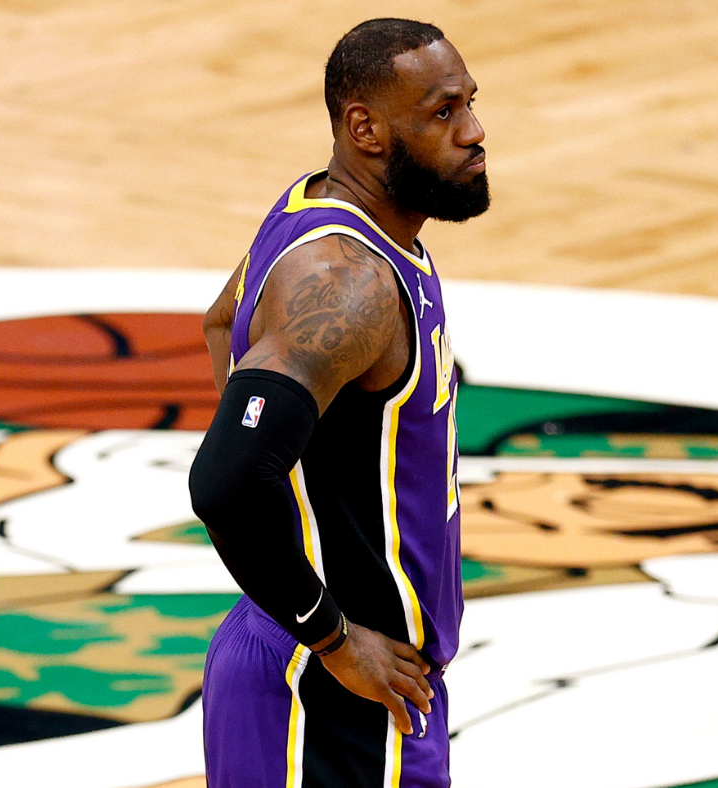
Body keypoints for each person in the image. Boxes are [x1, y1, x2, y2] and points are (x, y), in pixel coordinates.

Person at [188, 17, 488, 788]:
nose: (474, 133)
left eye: (470, 103)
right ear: (366, 129)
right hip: (327, 697)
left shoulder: (324, 214)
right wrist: (331, 638)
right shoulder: (347, 281)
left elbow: (224, 320)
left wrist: (301, 481)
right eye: (443, 113)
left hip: (345, 685)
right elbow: (225, 480)